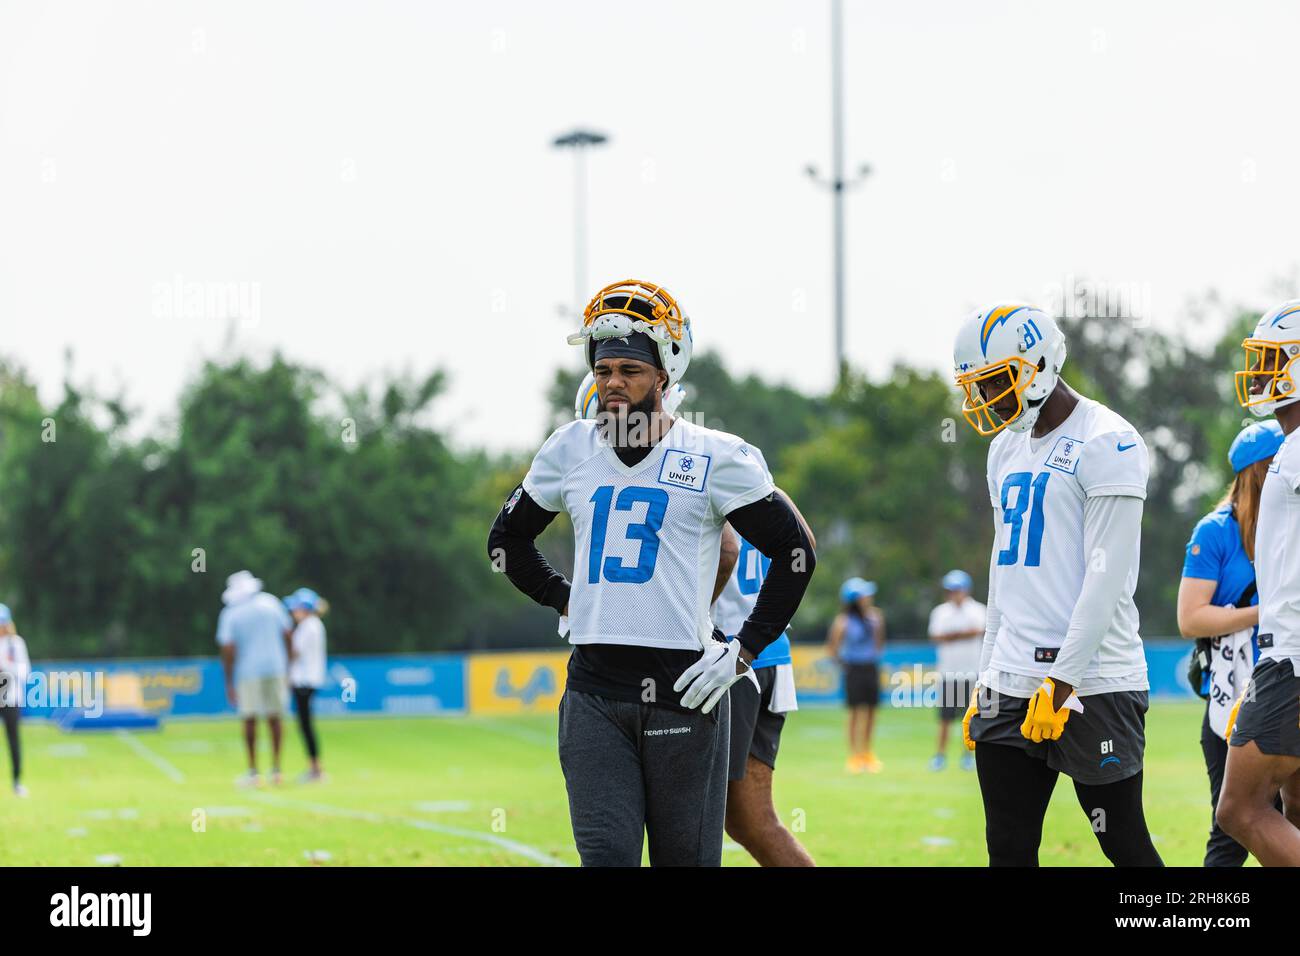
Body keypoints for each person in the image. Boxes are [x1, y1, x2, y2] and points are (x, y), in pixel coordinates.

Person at [488, 279, 815, 866]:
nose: (613, 381)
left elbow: (796, 553)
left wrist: (743, 650)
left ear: (664, 375)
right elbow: (506, 541)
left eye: (630, 370)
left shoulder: (716, 455)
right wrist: (566, 599)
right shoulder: (569, 449)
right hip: (594, 690)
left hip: (683, 689)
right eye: (604, 368)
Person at [954, 303, 1162, 867]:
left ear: (1039, 364)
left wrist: (1062, 681)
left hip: (1095, 680)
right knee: (1009, 848)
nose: (988, 400)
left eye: (996, 382)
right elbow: (1004, 570)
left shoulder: (1108, 440)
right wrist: (988, 673)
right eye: (979, 388)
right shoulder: (1005, 448)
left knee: (1123, 843)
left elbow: (1105, 576)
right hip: (1012, 678)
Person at [1216, 301, 1300, 866]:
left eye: (1273, 359)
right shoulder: (1287, 446)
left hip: (1292, 657)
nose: (1262, 371)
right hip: (1287, 652)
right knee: (1294, 807)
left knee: (1239, 810)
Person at [1177, 420, 1282, 866]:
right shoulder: (1215, 531)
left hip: (1287, 689)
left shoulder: (1289, 524)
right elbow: (1190, 618)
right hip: (1234, 699)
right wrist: (1265, 612)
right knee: (1232, 827)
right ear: (1259, 471)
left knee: (1284, 820)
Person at [712, 464, 817, 866]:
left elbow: (726, 553)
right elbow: (805, 543)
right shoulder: (764, 487)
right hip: (770, 652)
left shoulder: (698, 475)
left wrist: (693, 621)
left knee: (690, 811)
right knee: (749, 820)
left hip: (729, 659)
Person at [216, 570, 294, 788]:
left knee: (250, 718)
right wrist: (289, 666)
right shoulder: (271, 603)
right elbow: (288, 635)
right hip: (276, 668)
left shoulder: (231, 613)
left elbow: (228, 648)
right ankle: (277, 769)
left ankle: (253, 772)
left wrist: (229, 682)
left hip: (248, 671)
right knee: (275, 717)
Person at [927, 569, 985, 772]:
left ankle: (968, 756)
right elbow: (936, 636)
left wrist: (952, 635)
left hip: (972, 672)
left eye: (957, 589)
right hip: (948, 673)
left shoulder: (978, 610)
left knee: (970, 718)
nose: (953, 593)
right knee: (945, 719)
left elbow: (978, 631)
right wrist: (963, 634)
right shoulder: (940, 611)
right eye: (950, 590)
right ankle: (940, 755)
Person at [826, 577, 885, 774]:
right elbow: (832, 648)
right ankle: (854, 756)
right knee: (854, 714)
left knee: (871, 712)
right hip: (853, 669)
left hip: (870, 667)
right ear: (854, 599)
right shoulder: (842, 621)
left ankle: (867, 753)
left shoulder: (876, 617)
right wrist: (845, 664)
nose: (869, 598)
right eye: (864, 595)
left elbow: (879, 642)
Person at [285, 587, 328, 783]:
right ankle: (314, 767)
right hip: (307, 680)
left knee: (305, 725)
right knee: (305, 724)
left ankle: (315, 768)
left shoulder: (308, 626)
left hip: (304, 681)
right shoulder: (313, 625)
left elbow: (294, 652)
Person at [0, 605, 30, 797]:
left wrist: (5, 665)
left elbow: (24, 672)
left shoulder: (15, 643)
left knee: (13, 740)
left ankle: (17, 782)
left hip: (10, 698)